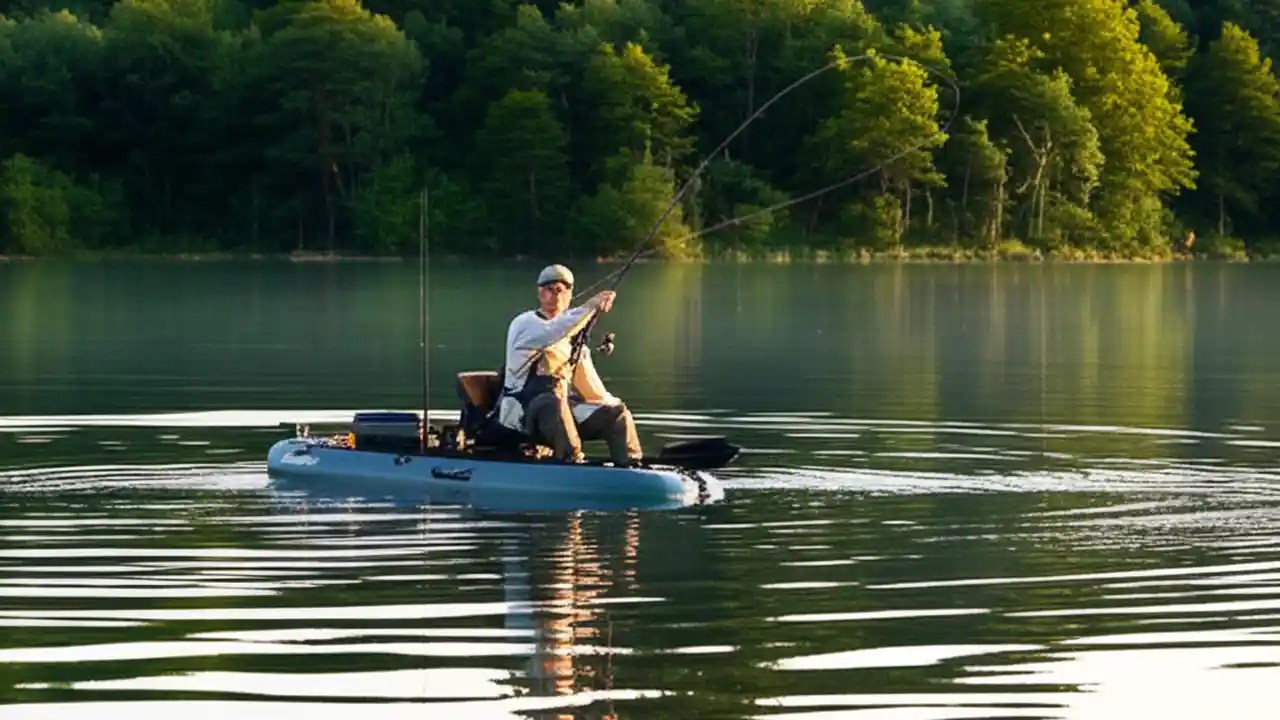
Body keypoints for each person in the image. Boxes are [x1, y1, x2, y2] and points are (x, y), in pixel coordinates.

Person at [497, 264, 643, 465]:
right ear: (540, 293)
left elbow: (591, 388)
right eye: (550, 289)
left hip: (561, 411)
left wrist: (610, 405)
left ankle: (632, 466)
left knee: (617, 413)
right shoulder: (525, 324)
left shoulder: (572, 338)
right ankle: (571, 460)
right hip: (524, 413)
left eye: (562, 290)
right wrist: (591, 306)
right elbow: (554, 331)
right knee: (553, 400)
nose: (556, 295)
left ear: (570, 294)